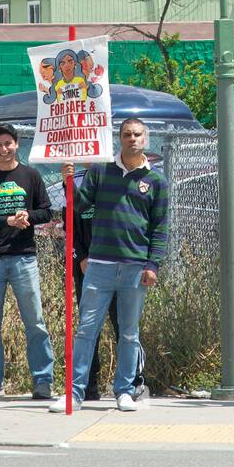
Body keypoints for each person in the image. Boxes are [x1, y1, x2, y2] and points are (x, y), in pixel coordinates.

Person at [51, 117, 169, 413]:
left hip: (134, 267)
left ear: (146, 138)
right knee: (86, 330)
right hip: (100, 266)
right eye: (127, 134)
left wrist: (152, 264)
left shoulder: (156, 181)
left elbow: (160, 227)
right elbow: (78, 206)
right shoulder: (101, 170)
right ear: (119, 138)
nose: (132, 139)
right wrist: (69, 181)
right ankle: (74, 393)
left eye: (138, 134)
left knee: (129, 333)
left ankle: (124, 392)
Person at [0, 123, 55, 400]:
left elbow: (47, 212)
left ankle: (43, 381)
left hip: (24, 258)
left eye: (8, 143)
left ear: (17, 143)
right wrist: (7, 220)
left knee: (35, 321)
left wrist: (26, 217)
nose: (3, 149)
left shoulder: (31, 176)